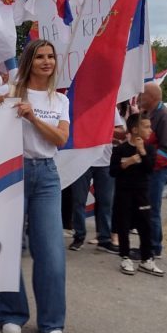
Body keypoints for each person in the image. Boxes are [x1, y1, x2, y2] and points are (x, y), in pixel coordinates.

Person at [0, 39, 69, 333]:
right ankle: (11, 314)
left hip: (47, 176)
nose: (46, 61)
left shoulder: (59, 100)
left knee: (51, 252)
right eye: (40, 56)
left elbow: (60, 139)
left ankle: (51, 320)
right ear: (29, 60)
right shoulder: (12, 94)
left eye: (50, 56)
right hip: (13, 173)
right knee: (9, 246)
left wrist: (33, 117)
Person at [111, 113, 161, 277]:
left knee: (145, 226)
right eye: (146, 127)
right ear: (134, 129)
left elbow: (150, 169)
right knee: (123, 225)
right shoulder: (120, 149)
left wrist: (142, 151)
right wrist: (126, 163)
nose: (150, 130)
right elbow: (113, 171)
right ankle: (125, 256)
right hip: (123, 193)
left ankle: (147, 258)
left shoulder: (150, 149)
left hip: (142, 193)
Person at [67, 108, 124, 254]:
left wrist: (103, 128)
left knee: (105, 202)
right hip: (81, 160)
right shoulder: (82, 102)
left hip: (104, 162)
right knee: (78, 201)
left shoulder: (110, 106)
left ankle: (104, 239)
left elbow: (121, 131)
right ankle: (79, 236)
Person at [138, 82, 167, 258]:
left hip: (156, 171)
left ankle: (153, 248)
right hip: (147, 170)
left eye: (142, 94)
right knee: (145, 209)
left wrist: (144, 159)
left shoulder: (165, 116)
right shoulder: (147, 114)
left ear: (151, 97)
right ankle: (149, 246)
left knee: (151, 209)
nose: (139, 97)